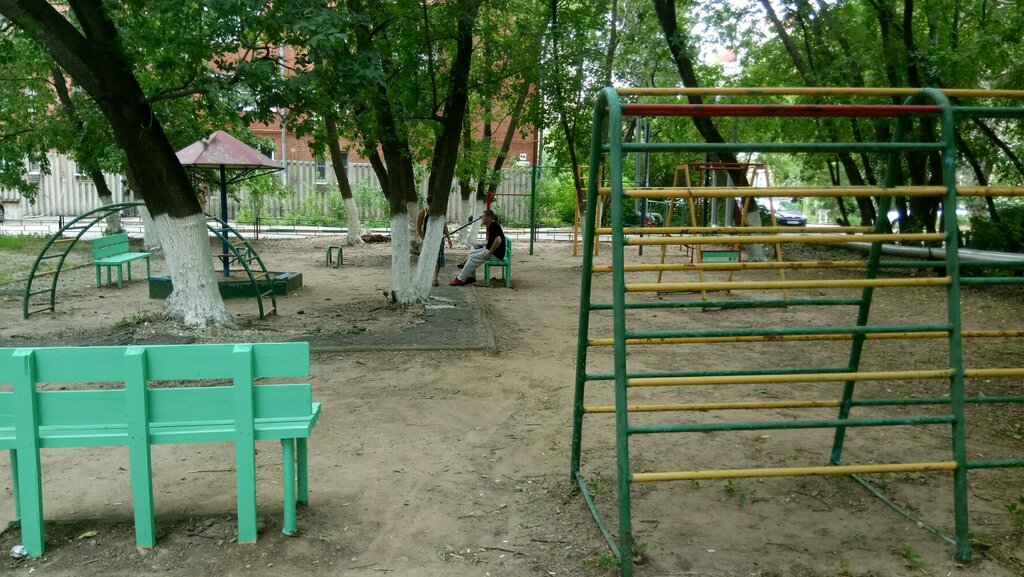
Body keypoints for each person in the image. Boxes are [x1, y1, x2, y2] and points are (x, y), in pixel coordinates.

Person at [450, 209, 504, 286]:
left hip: (496, 254)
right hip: (492, 251)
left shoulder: (493, 226)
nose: (482, 218)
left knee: (472, 258)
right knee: (471, 253)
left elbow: (498, 240)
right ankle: (472, 277)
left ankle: (460, 280)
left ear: (489, 217)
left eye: (483, 217)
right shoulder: (493, 225)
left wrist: (489, 252)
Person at [417, 198, 453, 287]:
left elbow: (444, 226)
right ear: (429, 204)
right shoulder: (423, 213)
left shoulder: (440, 212)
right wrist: (424, 239)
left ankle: (435, 278)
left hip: (439, 239)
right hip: (427, 241)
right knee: (426, 259)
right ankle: (424, 277)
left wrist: (448, 238)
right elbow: (418, 228)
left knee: (439, 259)